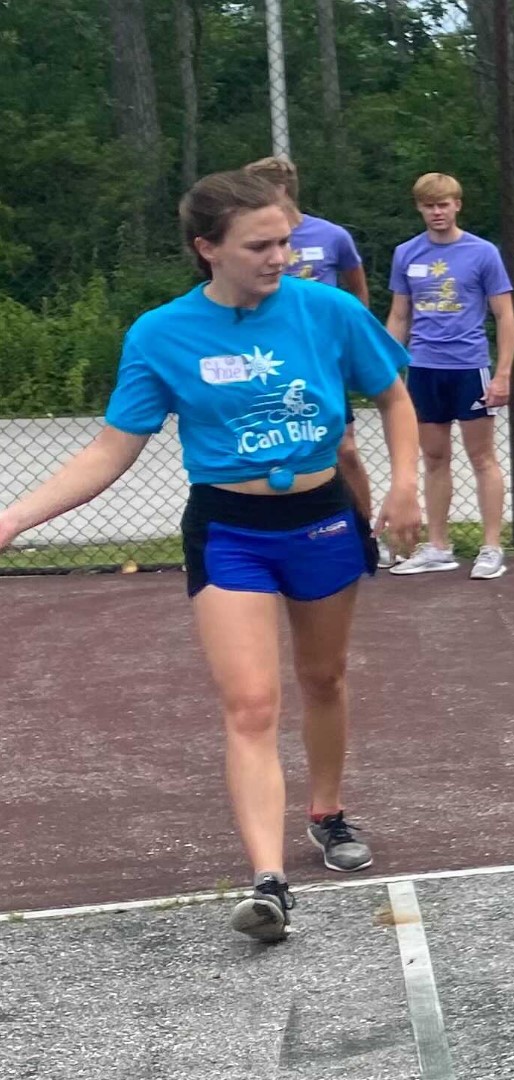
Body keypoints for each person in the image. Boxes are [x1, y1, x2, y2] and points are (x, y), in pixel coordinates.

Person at [0, 170, 422, 942]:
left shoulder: (327, 310)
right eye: (260, 245)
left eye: (286, 241)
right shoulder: (160, 335)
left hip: (324, 520)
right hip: (230, 530)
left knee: (323, 677)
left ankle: (326, 812)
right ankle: (269, 883)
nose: (281, 257)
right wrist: (13, 518)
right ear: (207, 249)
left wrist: (402, 488)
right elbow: (109, 449)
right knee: (251, 704)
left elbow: (394, 394)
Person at [240, 155, 395, 569]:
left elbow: (357, 295)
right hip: (268, 361)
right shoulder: (246, 241)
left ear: (280, 190)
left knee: (343, 449)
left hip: (320, 363)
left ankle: (363, 535)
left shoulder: (331, 235)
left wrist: (349, 347)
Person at [383, 172, 514, 580]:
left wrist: (503, 374)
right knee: (434, 457)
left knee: (482, 457)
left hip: (469, 367)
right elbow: (400, 314)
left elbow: (505, 315)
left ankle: (491, 547)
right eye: (429, 205)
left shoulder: (482, 253)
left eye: (443, 204)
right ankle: (439, 546)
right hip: (423, 368)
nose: (436, 212)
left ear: (457, 205)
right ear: (419, 208)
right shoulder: (406, 253)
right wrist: (389, 368)